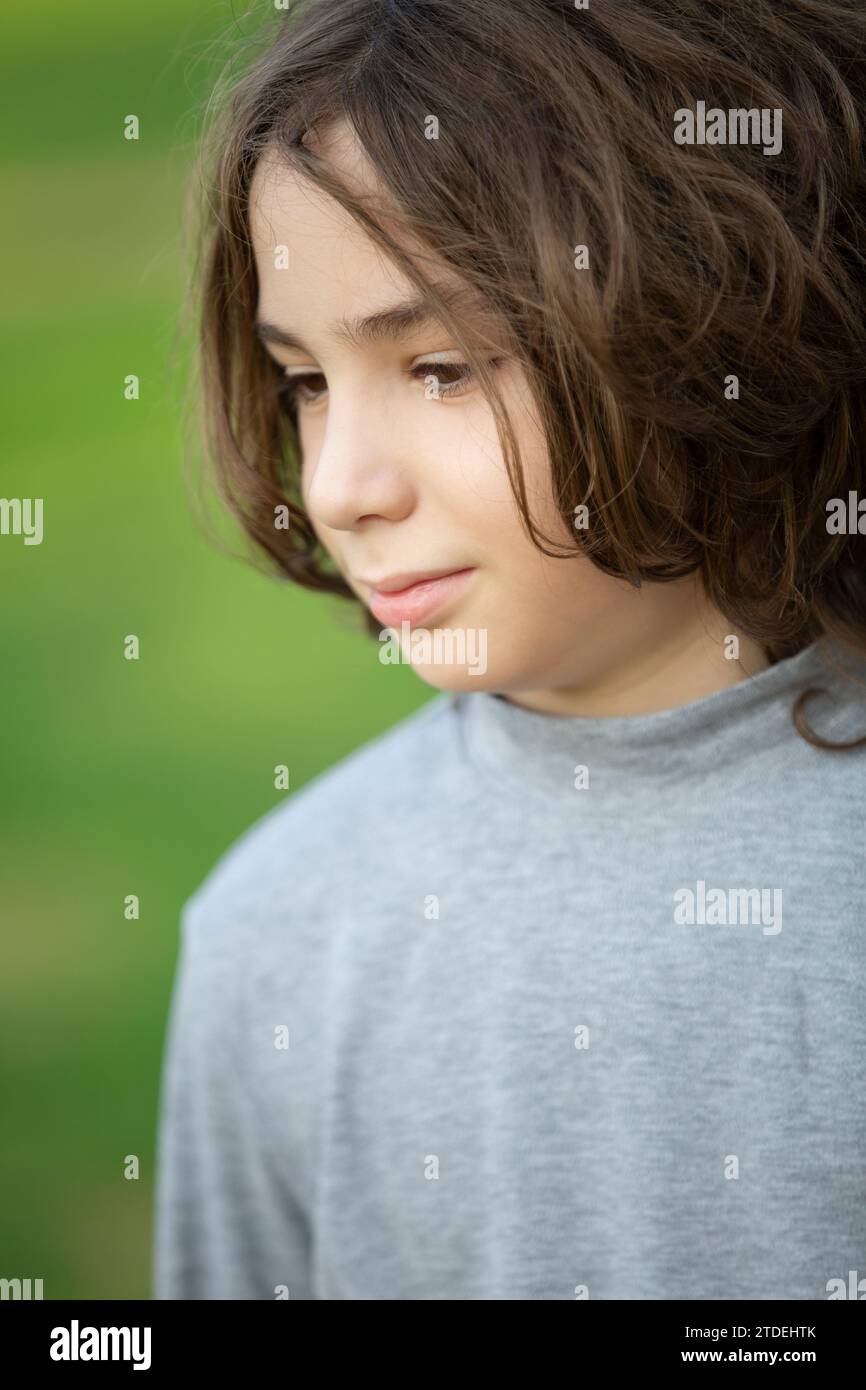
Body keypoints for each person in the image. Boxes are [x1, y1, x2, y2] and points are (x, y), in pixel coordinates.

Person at [153, 0, 866, 1299]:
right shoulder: (276, 927)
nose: (342, 485)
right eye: (306, 382)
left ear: (714, 316)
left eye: (438, 365)